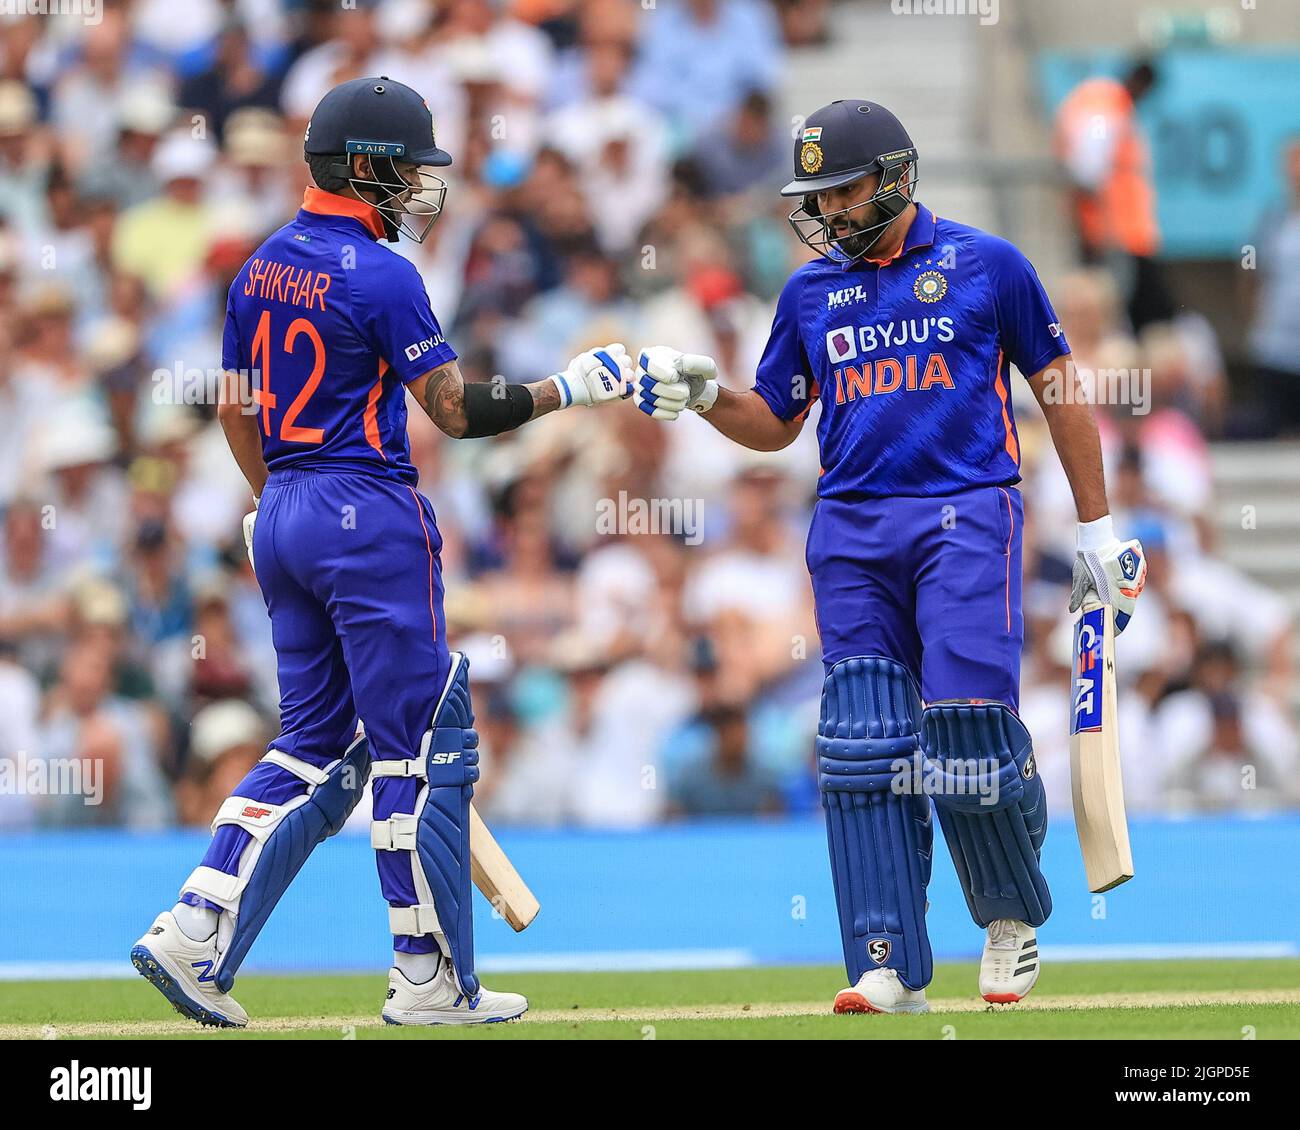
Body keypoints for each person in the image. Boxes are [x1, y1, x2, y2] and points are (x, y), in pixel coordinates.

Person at [131, 76, 633, 1028]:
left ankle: (192, 930)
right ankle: (429, 978)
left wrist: (276, 502)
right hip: (368, 509)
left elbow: (237, 410)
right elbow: (451, 409)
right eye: (406, 169)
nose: (419, 188)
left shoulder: (257, 264)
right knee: (419, 749)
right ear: (363, 166)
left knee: (308, 746)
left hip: (284, 508)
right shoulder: (384, 274)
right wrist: (570, 388)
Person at [634, 99, 1148, 1015]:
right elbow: (776, 420)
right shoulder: (807, 293)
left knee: (961, 732)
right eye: (817, 195)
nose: (830, 210)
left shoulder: (989, 265)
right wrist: (705, 396)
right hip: (850, 530)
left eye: (846, 188)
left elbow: (1060, 387)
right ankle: (887, 959)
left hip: (965, 517)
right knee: (862, 743)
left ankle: (1007, 913)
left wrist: (1098, 529)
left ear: (900, 177)